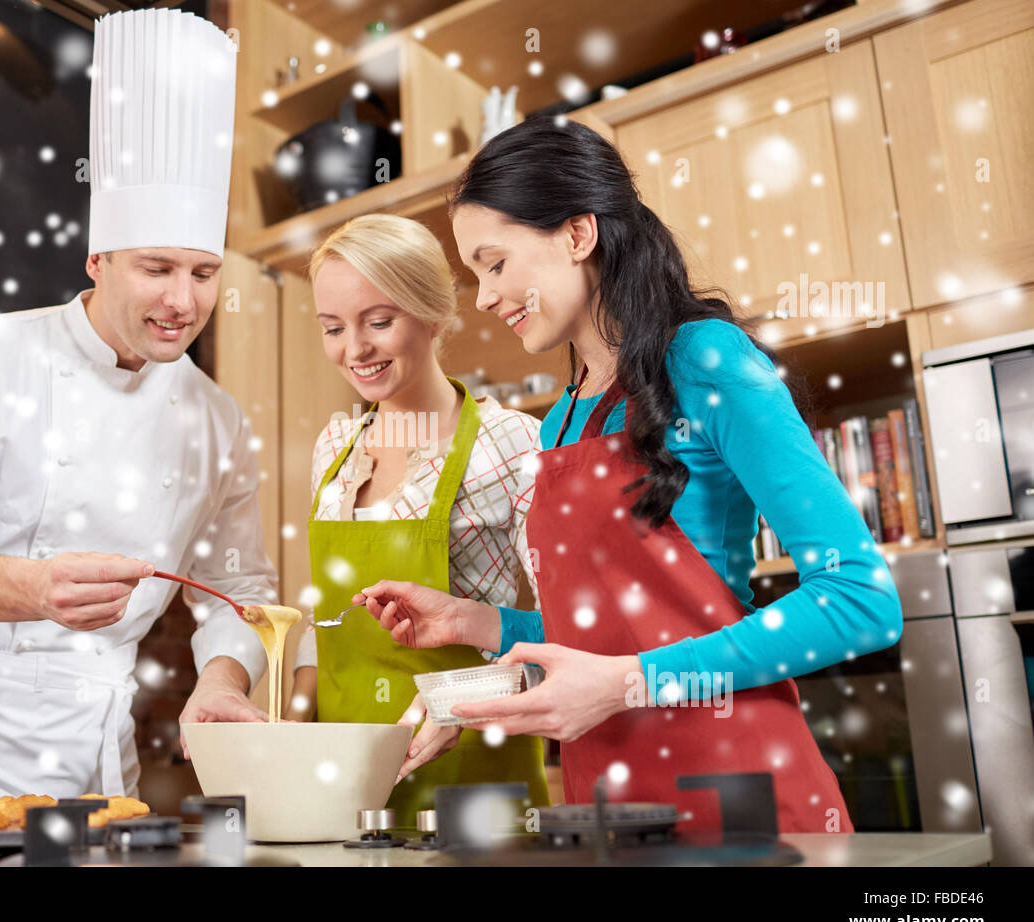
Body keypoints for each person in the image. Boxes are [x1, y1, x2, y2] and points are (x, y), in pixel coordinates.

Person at [357, 116, 903, 832]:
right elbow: (608, 637)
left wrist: (625, 684)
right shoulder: (562, 421)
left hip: (739, 799)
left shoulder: (707, 361)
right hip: (608, 814)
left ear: (578, 235)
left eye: (494, 263)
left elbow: (862, 600)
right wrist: (476, 624)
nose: (484, 297)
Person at [0, 9, 275, 801]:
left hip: (95, 759)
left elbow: (240, 589)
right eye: (157, 268)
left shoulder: (220, 420)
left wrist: (222, 683)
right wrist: (31, 587)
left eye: (204, 274)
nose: (183, 301)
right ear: (98, 259)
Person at [291, 214, 549, 824]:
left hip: (476, 788)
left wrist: (461, 702)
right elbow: (328, 624)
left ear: (434, 314)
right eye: (333, 328)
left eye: (379, 321)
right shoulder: (335, 448)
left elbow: (565, 637)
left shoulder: (511, 443)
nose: (355, 350)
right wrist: (290, 717)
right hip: (350, 788)